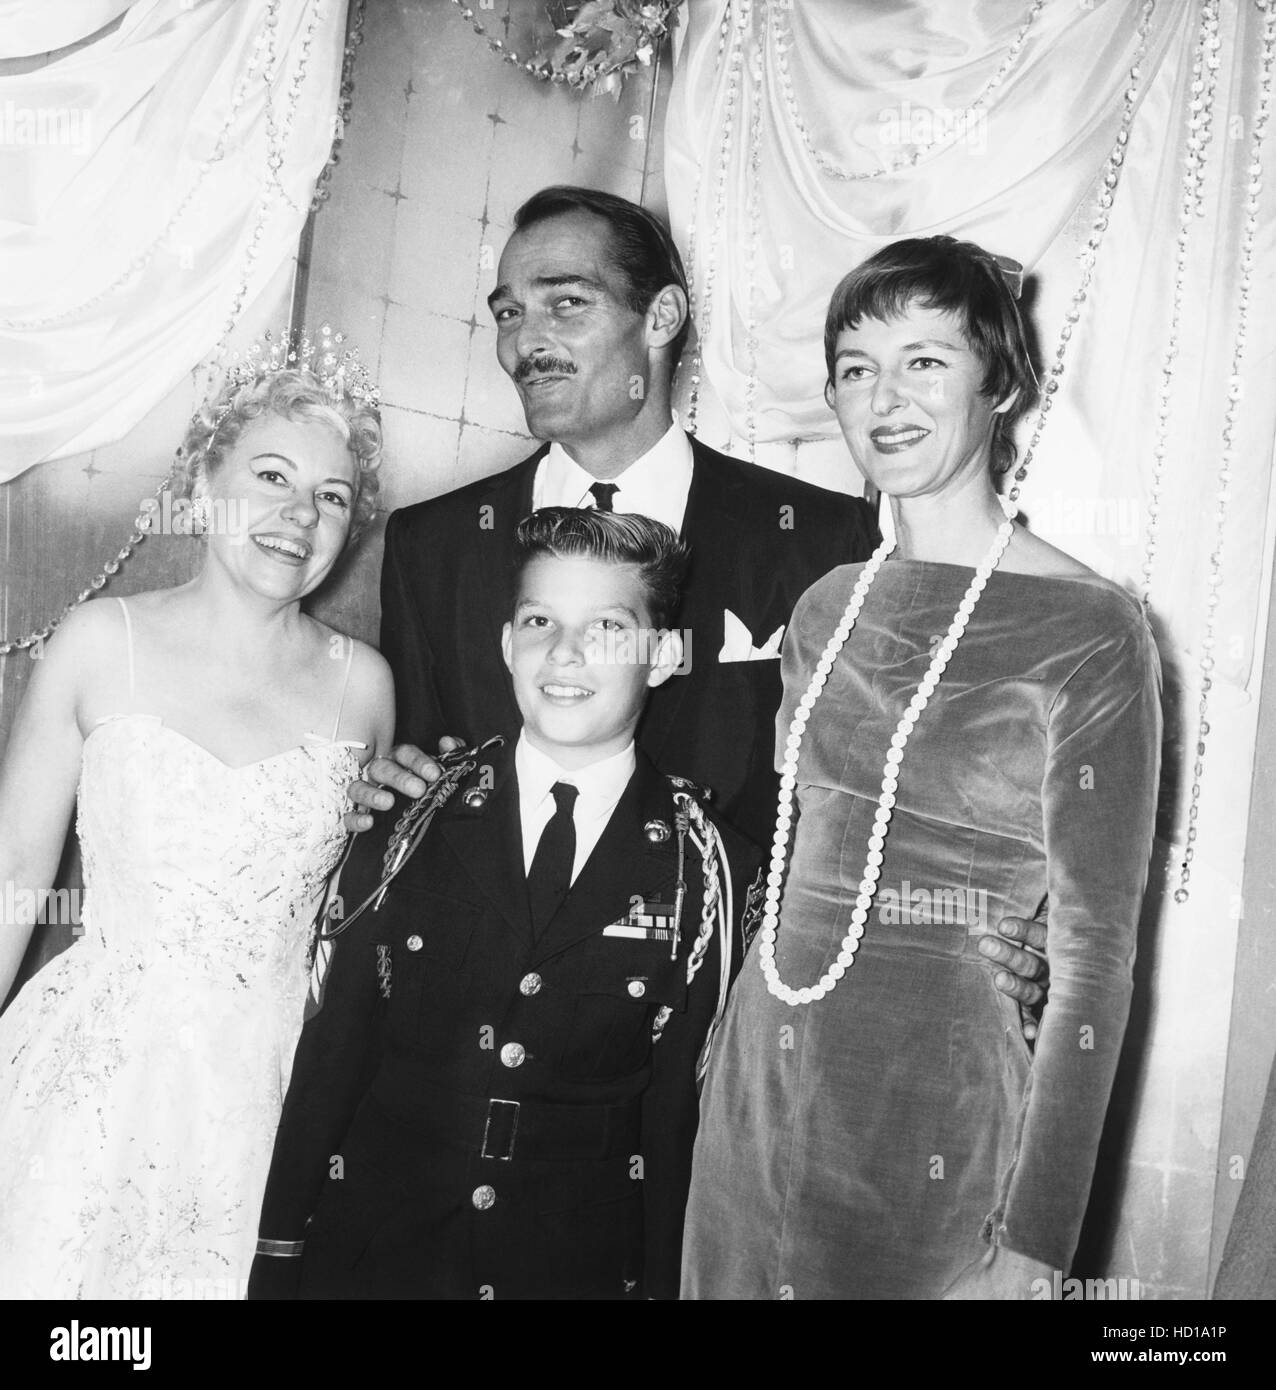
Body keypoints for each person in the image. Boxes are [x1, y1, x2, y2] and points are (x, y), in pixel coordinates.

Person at [357, 184, 1050, 1019]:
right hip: (481, 1031)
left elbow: (884, 793)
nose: (525, 342)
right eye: (507, 314)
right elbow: (415, 801)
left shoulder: (821, 541)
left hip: (728, 1029)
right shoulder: (433, 545)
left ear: (662, 317)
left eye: (565, 304)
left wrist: (999, 931)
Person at [680, 236, 1163, 1301]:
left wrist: (1038, 1247)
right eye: (856, 367)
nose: (884, 398)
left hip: (932, 1122)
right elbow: (787, 864)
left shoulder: (1091, 629)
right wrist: (723, 1061)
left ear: (999, 384)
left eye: (925, 361)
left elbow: (1093, 961)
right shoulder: (821, 606)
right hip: (755, 1103)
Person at [248, 509, 759, 1300]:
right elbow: (333, 1055)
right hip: (379, 1265)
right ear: (505, 644)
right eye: (540, 621)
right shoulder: (409, 818)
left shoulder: (708, 868)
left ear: (661, 657)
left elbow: (676, 1124)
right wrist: (277, 1261)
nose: (565, 652)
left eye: (608, 629)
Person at [0, 339, 394, 1299]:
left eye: (333, 496)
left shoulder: (364, 688)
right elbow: (14, 878)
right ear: (202, 480)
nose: (300, 515)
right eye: (271, 476)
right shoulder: (100, 642)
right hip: (92, 1080)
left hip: (264, 1097)